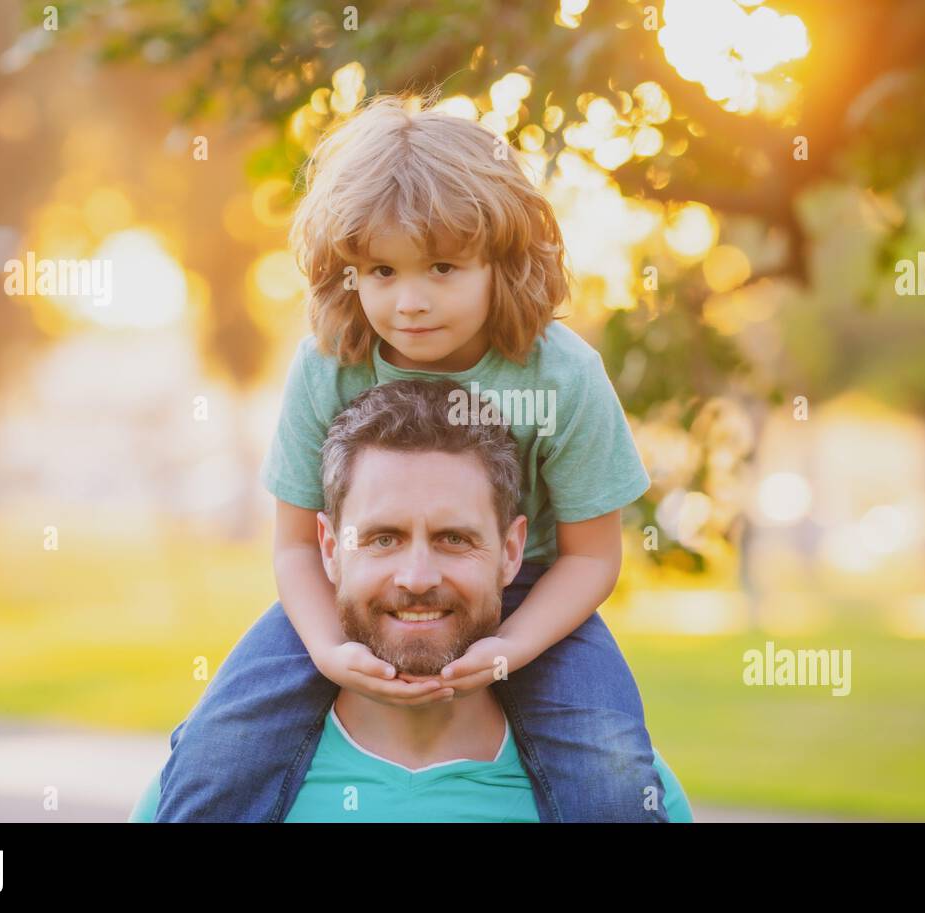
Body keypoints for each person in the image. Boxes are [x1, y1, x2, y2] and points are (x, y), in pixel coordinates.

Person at [156, 88, 665, 822]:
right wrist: (331, 651)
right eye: (383, 272)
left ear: (501, 262)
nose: (409, 303)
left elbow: (592, 557)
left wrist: (509, 650)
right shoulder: (328, 366)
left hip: (531, 591)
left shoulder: (562, 375)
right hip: (355, 594)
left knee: (612, 775)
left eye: (442, 269)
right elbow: (298, 546)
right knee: (218, 753)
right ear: (349, 271)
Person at [135, 380, 688, 822]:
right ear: (329, 548)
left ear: (513, 551)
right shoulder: (207, 784)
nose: (418, 577)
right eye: (383, 538)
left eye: (455, 538)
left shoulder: (624, 786)